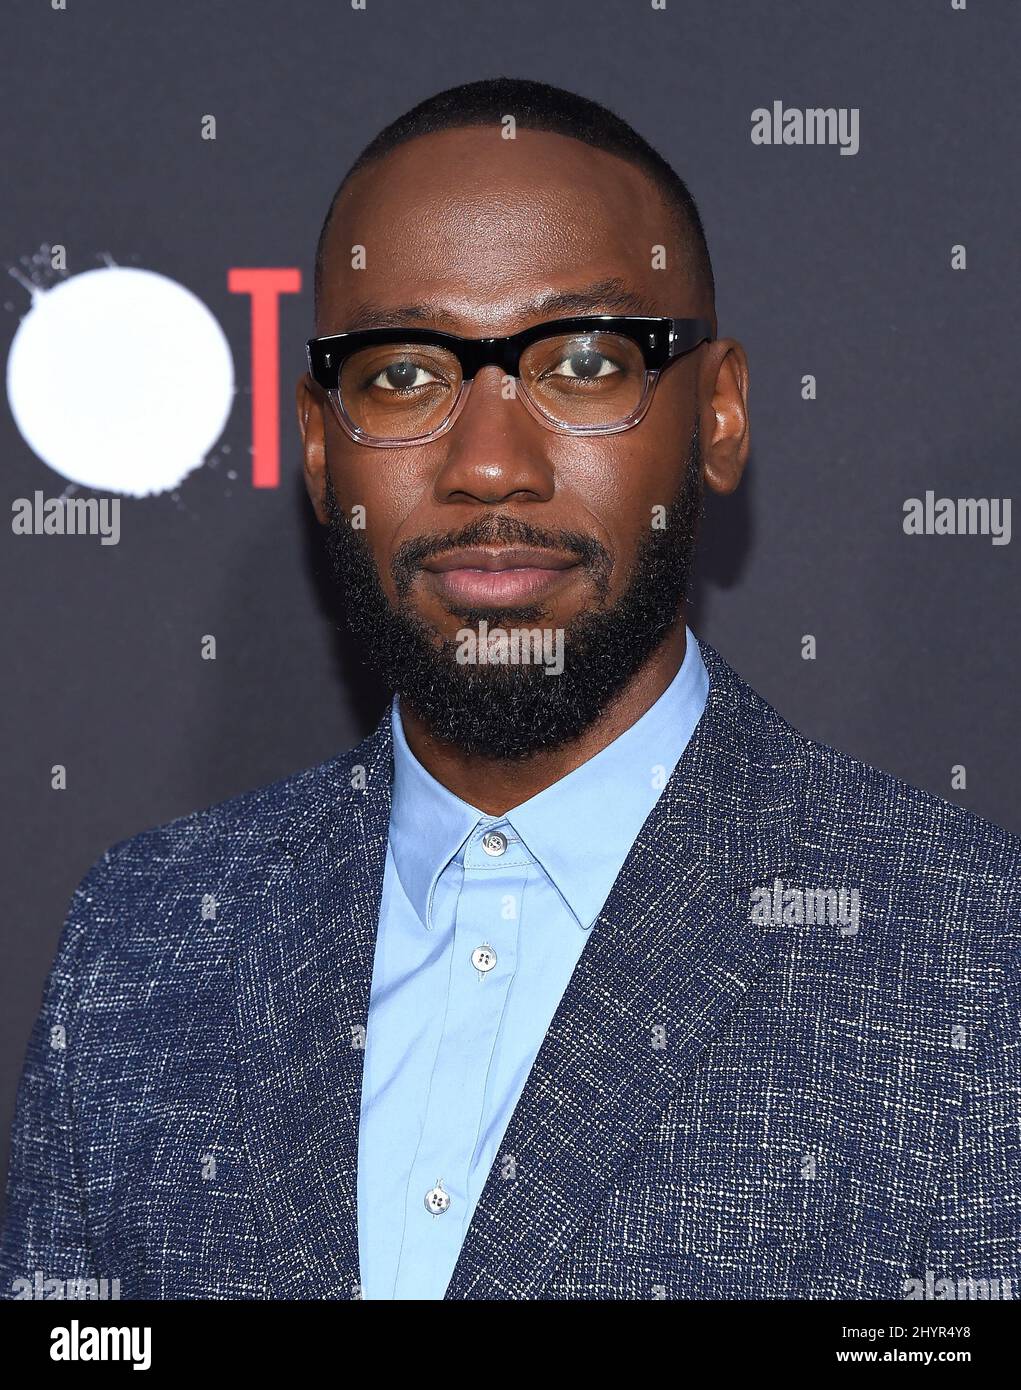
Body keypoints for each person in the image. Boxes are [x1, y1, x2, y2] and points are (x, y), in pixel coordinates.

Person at [3, 76, 1019, 1302]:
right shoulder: (144, 937)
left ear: (720, 414)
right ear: (317, 450)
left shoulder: (969, 954)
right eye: (403, 375)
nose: (490, 464)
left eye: (583, 363)